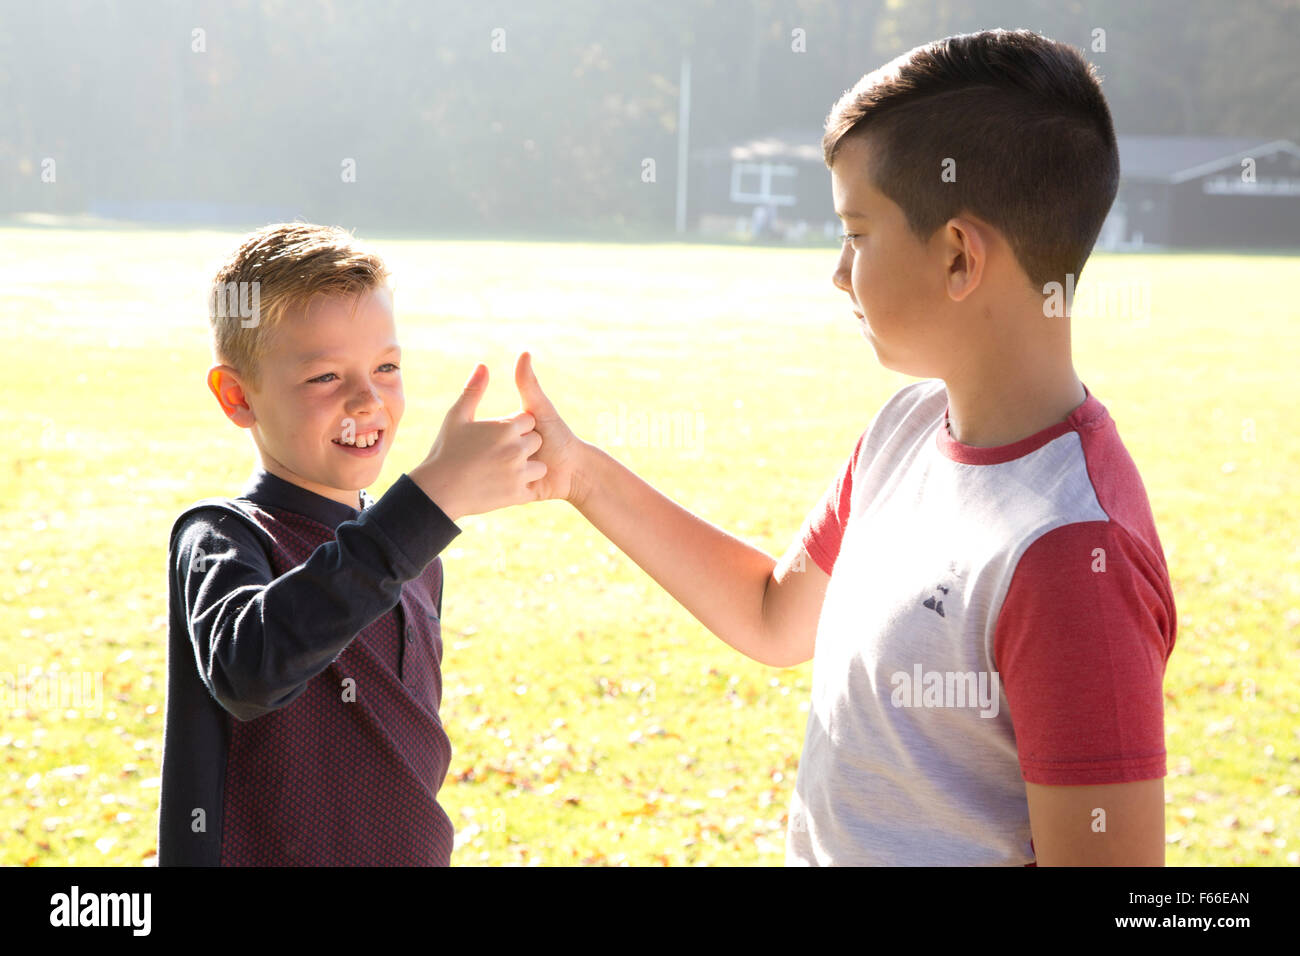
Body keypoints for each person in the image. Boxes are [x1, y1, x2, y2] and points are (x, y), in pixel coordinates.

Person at [514, 29, 1177, 866]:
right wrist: (580, 475)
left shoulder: (1073, 554)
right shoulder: (902, 432)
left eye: (857, 234)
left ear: (960, 255)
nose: (837, 272)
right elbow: (773, 615)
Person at [159, 222, 545, 865]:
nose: (367, 401)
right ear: (238, 396)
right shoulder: (224, 536)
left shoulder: (412, 553)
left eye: (386, 368)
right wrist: (426, 505)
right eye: (324, 378)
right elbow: (251, 668)